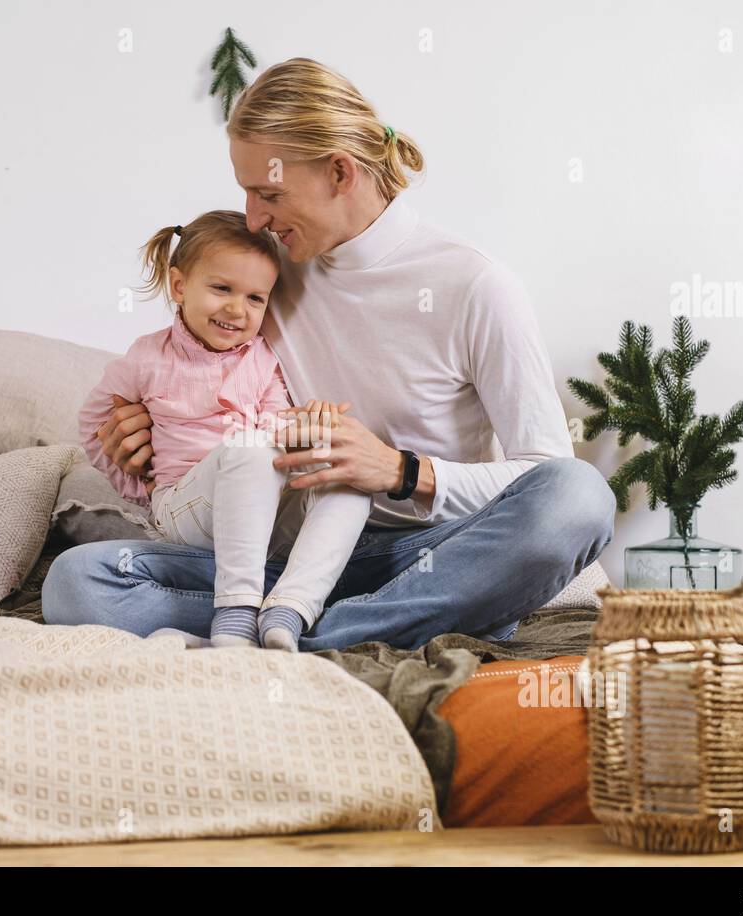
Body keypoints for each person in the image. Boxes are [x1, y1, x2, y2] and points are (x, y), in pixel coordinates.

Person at [43, 58, 616, 652]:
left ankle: (326, 633)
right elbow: (195, 358)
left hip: (421, 559)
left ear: (340, 173)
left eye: (268, 193)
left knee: (579, 498)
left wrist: (400, 472)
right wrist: (143, 428)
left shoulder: (475, 285)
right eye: (246, 194)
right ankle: (325, 625)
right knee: (78, 583)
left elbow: (542, 473)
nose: (253, 217)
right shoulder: (269, 269)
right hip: (280, 557)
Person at [77, 210, 369, 650]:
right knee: (250, 449)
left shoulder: (264, 358)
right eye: (221, 289)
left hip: (259, 512)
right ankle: (234, 614)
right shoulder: (148, 358)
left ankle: (290, 607)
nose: (237, 309)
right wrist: (140, 488)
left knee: (349, 472)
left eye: (256, 298)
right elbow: (93, 425)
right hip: (186, 505)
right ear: (179, 286)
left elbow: (277, 430)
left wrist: (311, 423)